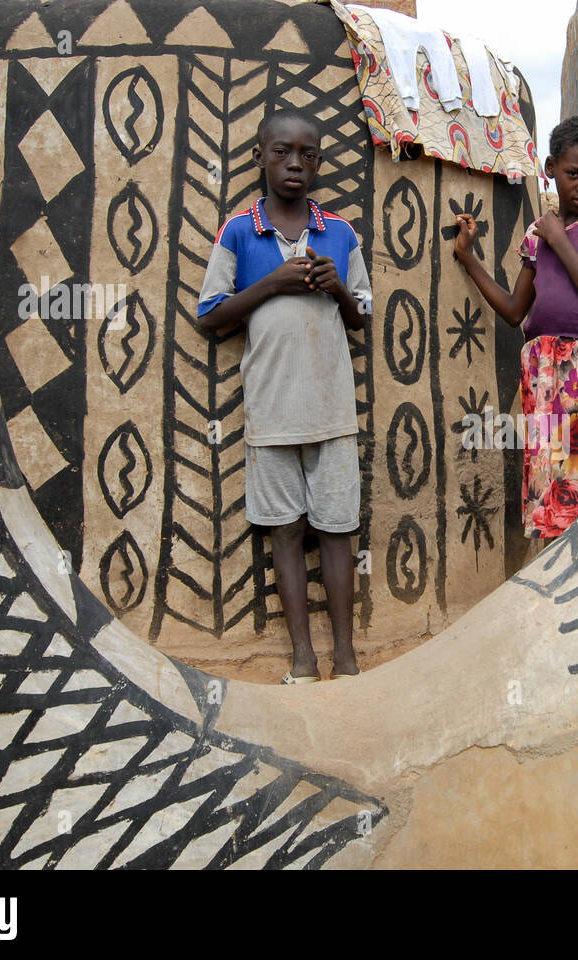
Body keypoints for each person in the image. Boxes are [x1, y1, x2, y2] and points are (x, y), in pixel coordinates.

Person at [196, 107, 370, 684]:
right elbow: (210, 315)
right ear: (259, 156)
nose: (296, 163)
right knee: (286, 531)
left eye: (308, 153)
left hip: (332, 414)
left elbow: (361, 317)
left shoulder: (339, 233)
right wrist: (272, 282)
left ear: (319, 160)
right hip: (271, 414)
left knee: (338, 529)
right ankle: (303, 656)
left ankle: (344, 657)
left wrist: (337, 287)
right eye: (282, 152)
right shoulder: (239, 231)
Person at [453, 115, 578, 541]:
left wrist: (559, 239)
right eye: (573, 173)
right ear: (550, 169)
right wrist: (469, 258)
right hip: (543, 372)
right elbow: (512, 310)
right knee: (553, 483)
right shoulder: (536, 236)